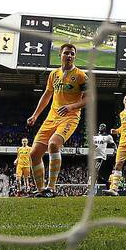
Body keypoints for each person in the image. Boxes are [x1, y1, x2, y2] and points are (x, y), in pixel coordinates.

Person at [26, 43, 88, 196]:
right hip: (51, 118)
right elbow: (47, 95)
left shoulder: (81, 76)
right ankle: (41, 190)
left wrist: (71, 107)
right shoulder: (53, 74)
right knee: (34, 154)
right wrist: (35, 115)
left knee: (53, 144)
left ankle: (51, 188)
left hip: (70, 117)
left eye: (72, 54)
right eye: (66, 53)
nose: (69, 56)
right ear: (60, 55)